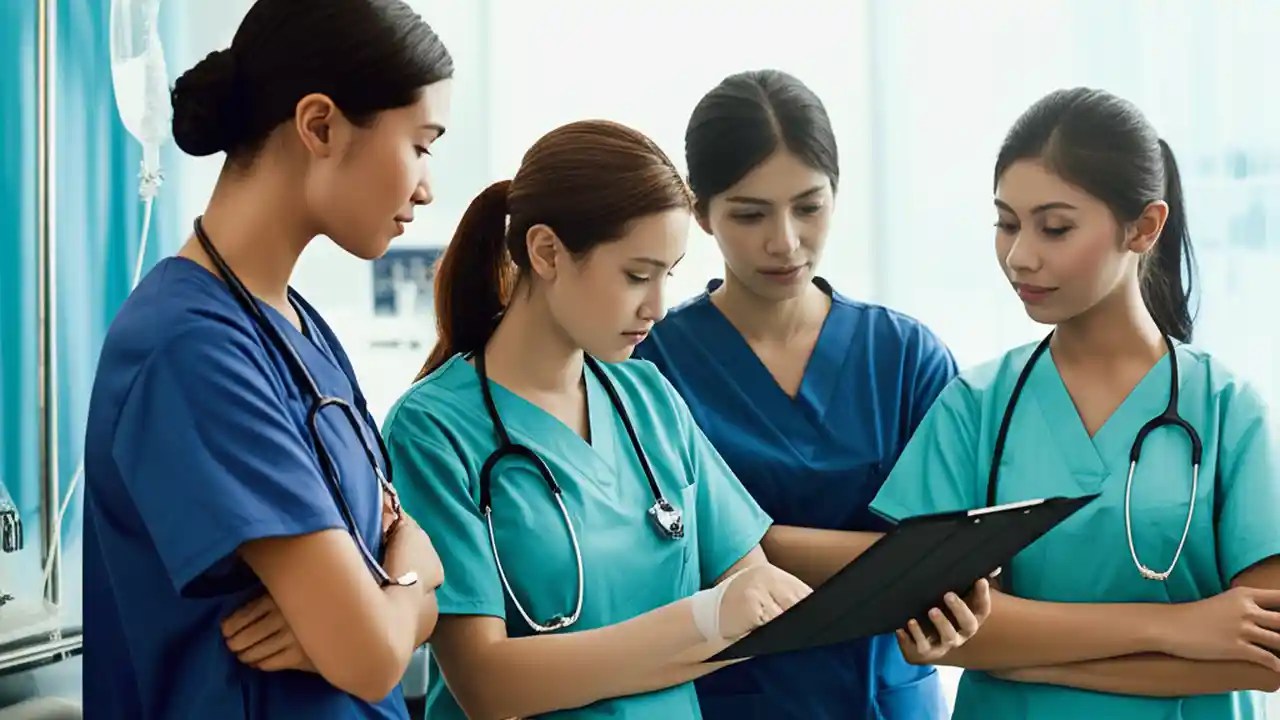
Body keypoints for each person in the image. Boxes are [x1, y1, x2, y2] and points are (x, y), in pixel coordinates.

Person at [382, 118, 990, 720]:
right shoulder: (435, 427)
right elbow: (488, 685)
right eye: (636, 275)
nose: (657, 306)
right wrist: (699, 621)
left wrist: (912, 609)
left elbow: (759, 606)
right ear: (546, 253)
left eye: (667, 276)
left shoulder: (648, 397)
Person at [82, 1, 454, 717]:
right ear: (320, 125)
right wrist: (408, 595)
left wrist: (394, 596)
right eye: (421, 144)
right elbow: (373, 652)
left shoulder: (296, 326)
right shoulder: (188, 350)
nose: (426, 186)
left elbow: (403, 549)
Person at [869, 87, 1280, 719]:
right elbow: (936, 626)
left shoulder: (1228, 410)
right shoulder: (976, 407)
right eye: (1006, 223)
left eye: (1055, 227)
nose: (1019, 255)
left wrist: (1025, 654)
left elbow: (1260, 656)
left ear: (1144, 227)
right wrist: (1176, 628)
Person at [632, 69, 959, 719]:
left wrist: (742, 542)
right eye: (750, 214)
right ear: (699, 213)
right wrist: (886, 566)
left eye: (809, 207)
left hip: (886, 699)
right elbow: (646, 559)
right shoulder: (651, 363)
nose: (785, 241)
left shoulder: (904, 358)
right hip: (728, 700)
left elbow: (949, 564)